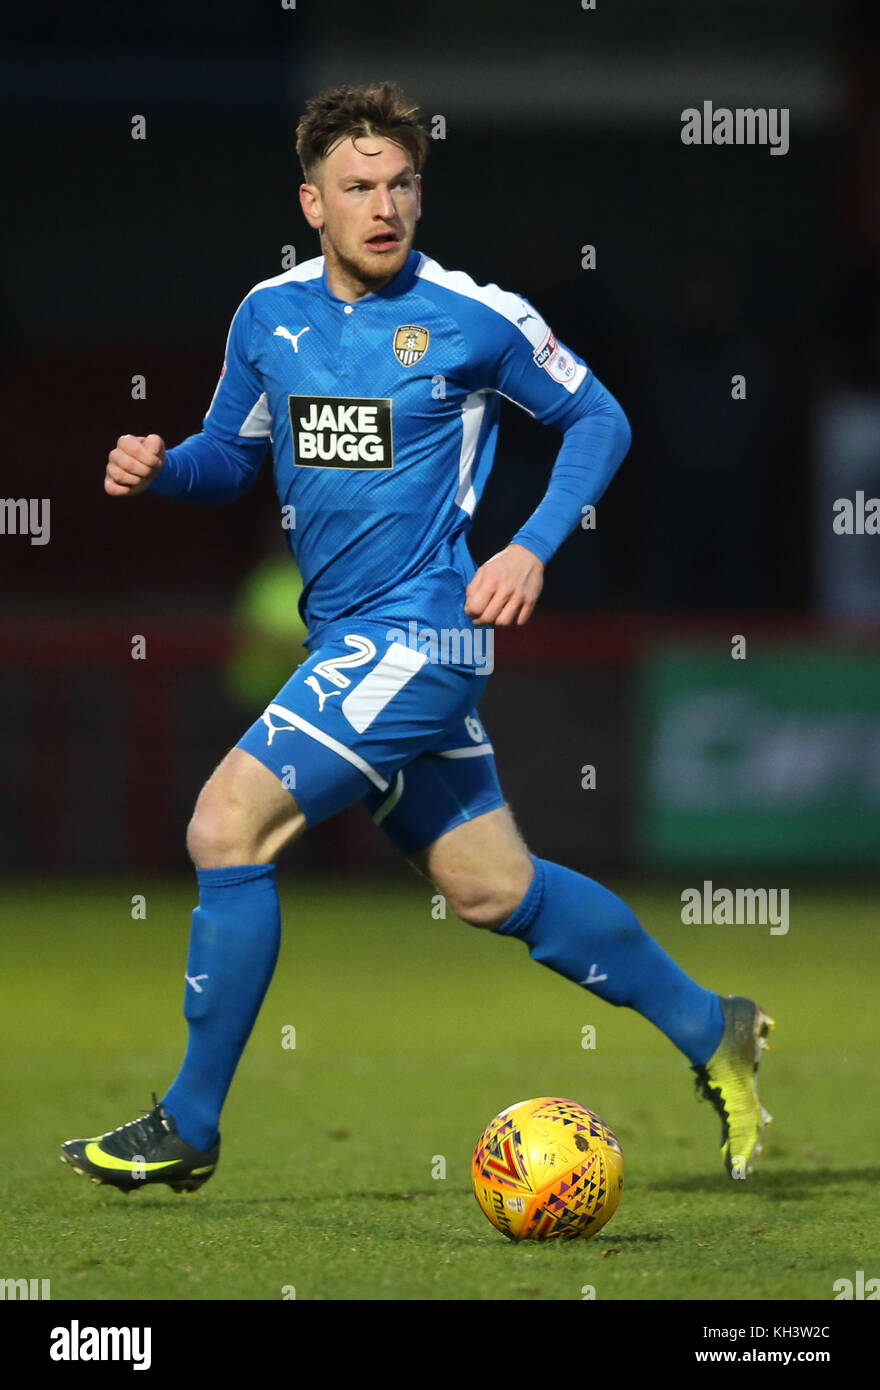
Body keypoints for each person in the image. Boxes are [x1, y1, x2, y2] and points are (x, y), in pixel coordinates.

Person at [61, 82, 773, 1198]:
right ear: (312, 202)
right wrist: (161, 470)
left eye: (401, 184)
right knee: (493, 887)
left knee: (223, 825)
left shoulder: (474, 316)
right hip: (344, 643)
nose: (383, 206)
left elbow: (600, 414)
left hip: (425, 637)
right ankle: (710, 1025)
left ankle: (189, 1122)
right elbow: (224, 455)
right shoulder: (268, 318)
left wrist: (532, 545)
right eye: (358, 187)